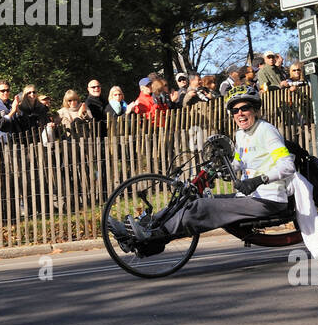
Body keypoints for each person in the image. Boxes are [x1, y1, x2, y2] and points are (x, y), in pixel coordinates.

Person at [108, 87, 304, 248]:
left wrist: (258, 180)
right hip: (248, 197)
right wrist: (216, 170)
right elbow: (237, 164)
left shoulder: (266, 131)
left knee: (202, 206)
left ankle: (153, 233)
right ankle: (140, 232)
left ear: (255, 109)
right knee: (191, 201)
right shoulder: (241, 134)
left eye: (244, 108)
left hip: (268, 199)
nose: (240, 114)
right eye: (235, 111)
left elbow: (287, 166)